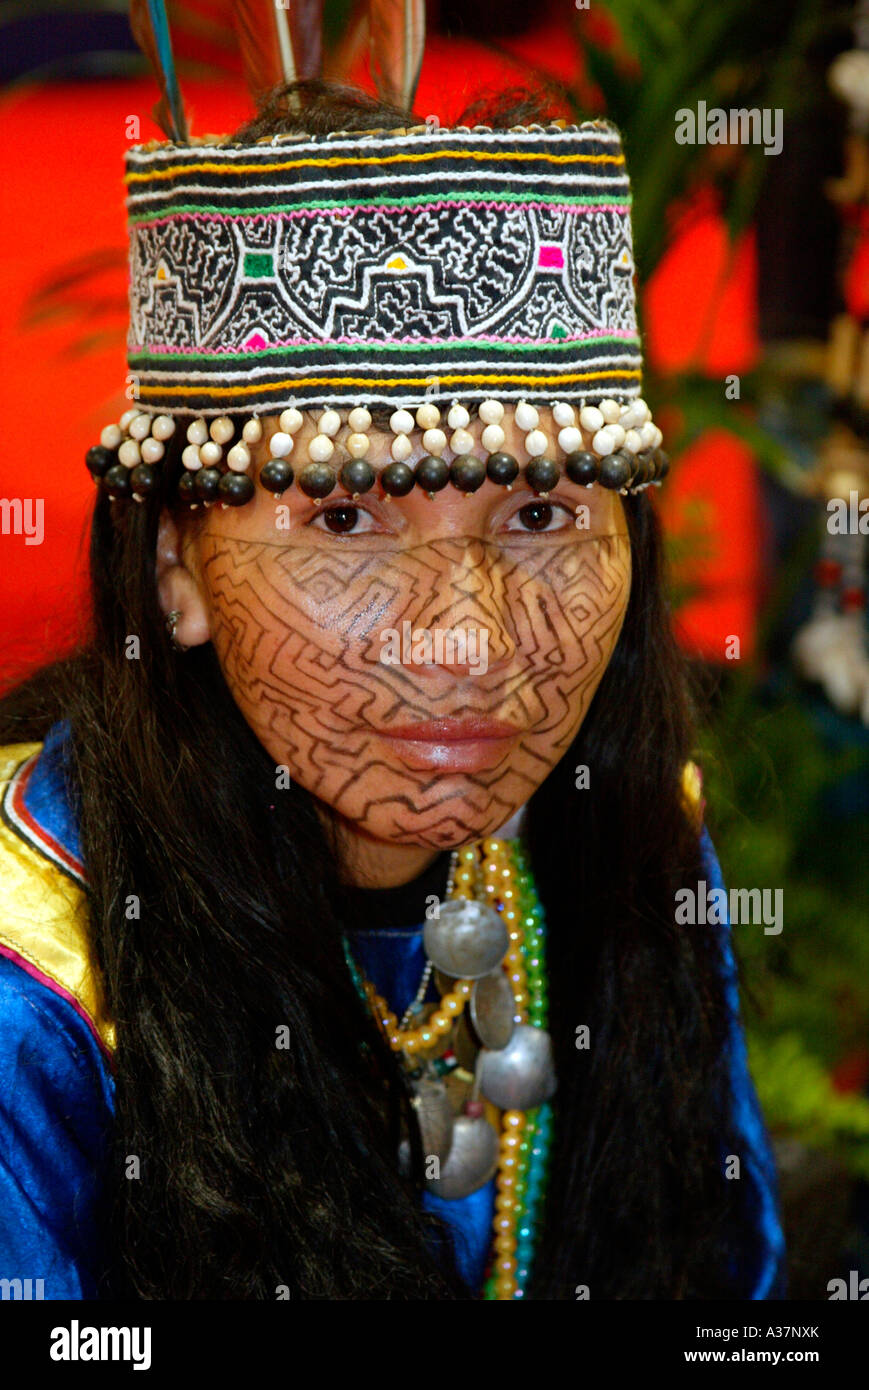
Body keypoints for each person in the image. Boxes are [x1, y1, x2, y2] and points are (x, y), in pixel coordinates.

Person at [0, 75, 785, 1300]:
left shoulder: (627, 833)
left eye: (537, 513)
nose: (466, 643)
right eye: (347, 516)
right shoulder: (31, 980)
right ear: (176, 573)